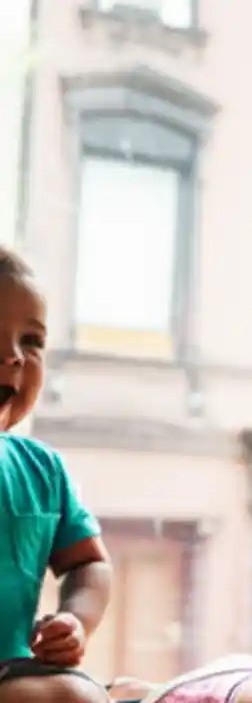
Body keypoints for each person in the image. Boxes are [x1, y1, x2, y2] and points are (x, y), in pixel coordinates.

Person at [0, 246, 112, 703]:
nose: (13, 357)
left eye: (31, 341)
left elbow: (89, 564)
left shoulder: (41, 470)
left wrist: (76, 621)